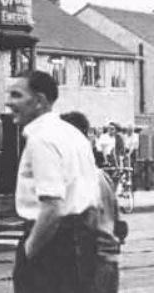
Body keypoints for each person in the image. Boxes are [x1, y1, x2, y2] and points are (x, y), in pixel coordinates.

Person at [6, 70, 100, 293]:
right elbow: (93, 199)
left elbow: (52, 207)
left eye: (16, 95)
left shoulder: (42, 139)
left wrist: (28, 252)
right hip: (81, 240)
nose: (9, 103)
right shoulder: (73, 134)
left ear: (39, 101)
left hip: (52, 246)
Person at [61, 111, 127, 293]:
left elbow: (82, 228)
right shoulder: (101, 176)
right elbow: (118, 223)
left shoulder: (77, 178)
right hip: (108, 262)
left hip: (89, 265)